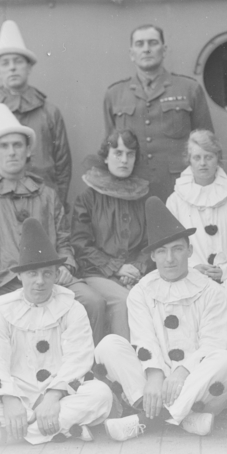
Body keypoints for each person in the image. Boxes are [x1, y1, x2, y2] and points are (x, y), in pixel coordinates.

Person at [0, 103, 106, 356]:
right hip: (0, 283)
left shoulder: (47, 195)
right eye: (4, 146)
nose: (11, 152)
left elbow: (64, 241)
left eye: (17, 145)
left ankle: (83, 372)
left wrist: (66, 266)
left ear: (28, 149)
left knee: (92, 303)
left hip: (46, 278)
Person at [0, 218, 113, 449]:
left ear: (57, 275)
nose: (40, 281)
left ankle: (8, 435)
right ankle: (61, 428)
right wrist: (9, 399)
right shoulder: (2, 311)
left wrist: (52, 397)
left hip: (60, 395)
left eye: (47, 274)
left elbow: (79, 358)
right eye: (32, 274)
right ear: (19, 276)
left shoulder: (72, 308)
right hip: (18, 394)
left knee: (100, 395)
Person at [93, 197, 227, 441]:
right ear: (152, 256)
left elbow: (213, 343)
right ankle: (183, 417)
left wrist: (182, 372)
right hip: (154, 377)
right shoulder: (142, 290)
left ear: (190, 250)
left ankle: (146, 420)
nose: (170, 258)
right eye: (162, 251)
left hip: (193, 380)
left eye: (177, 249)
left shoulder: (212, 291)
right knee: (108, 345)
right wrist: (154, 375)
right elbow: (143, 338)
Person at [103, 24, 214, 201]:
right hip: (132, 190)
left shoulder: (189, 89)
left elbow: (208, 145)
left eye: (152, 43)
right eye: (140, 44)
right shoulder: (115, 94)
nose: (146, 49)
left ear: (164, 50)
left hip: (180, 190)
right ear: (131, 53)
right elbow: (110, 148)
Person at [166, 130, 227, 351]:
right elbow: (171, 247)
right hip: (191, 274)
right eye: (197, 157)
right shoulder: (176, 200)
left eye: (209, 157)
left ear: (218, 158)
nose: (203, 163)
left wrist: (225, 270)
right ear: (189, 160)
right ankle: (203, 358)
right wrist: (194, 268)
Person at [0, 20, 72, 206]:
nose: (12, 67)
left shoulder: (49, 112)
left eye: (18, 61)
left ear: (29, 67)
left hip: (41, 200)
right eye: (5, 63)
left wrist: (59, 203)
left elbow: (63, 164)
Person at [71, 129, 150, 342]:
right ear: (106, 157)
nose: (124, 160)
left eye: (130, 154)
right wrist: (116, 267)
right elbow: (81, 244)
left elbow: (149, 243)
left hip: (135, 273)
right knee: (125, 301)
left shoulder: (142, 198)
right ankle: (120, 366)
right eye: (118, 153)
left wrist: (136, 268)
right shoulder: (87, 198)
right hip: (96, 273)